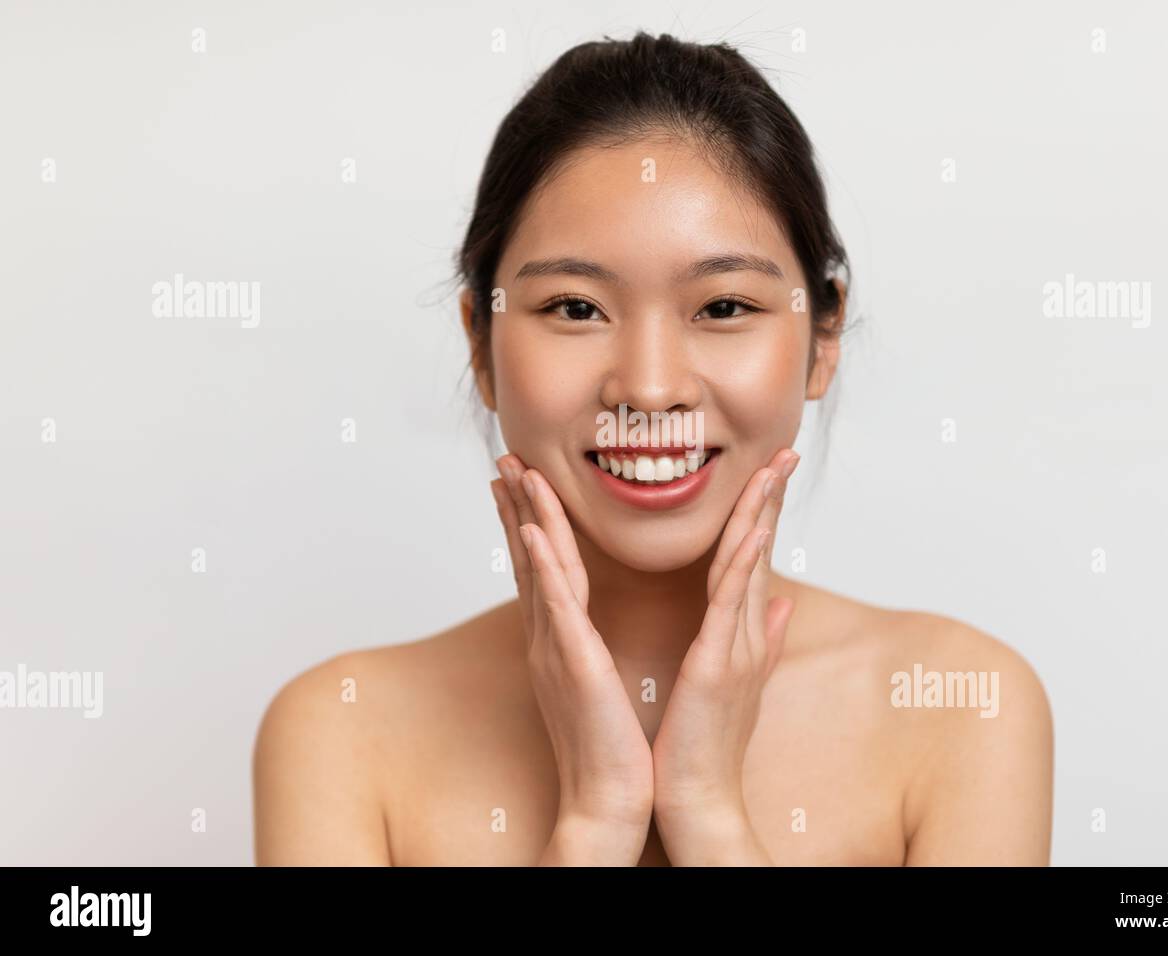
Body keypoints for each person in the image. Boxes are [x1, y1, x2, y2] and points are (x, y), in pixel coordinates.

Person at [253, 31, 1053, 866]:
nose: (648, 387)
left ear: (823, 337)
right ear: (480, 344)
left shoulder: (963, 709)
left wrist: (706, 808)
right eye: (574, 308)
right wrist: (597, 818)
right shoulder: (342, 731)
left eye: (723, 307)